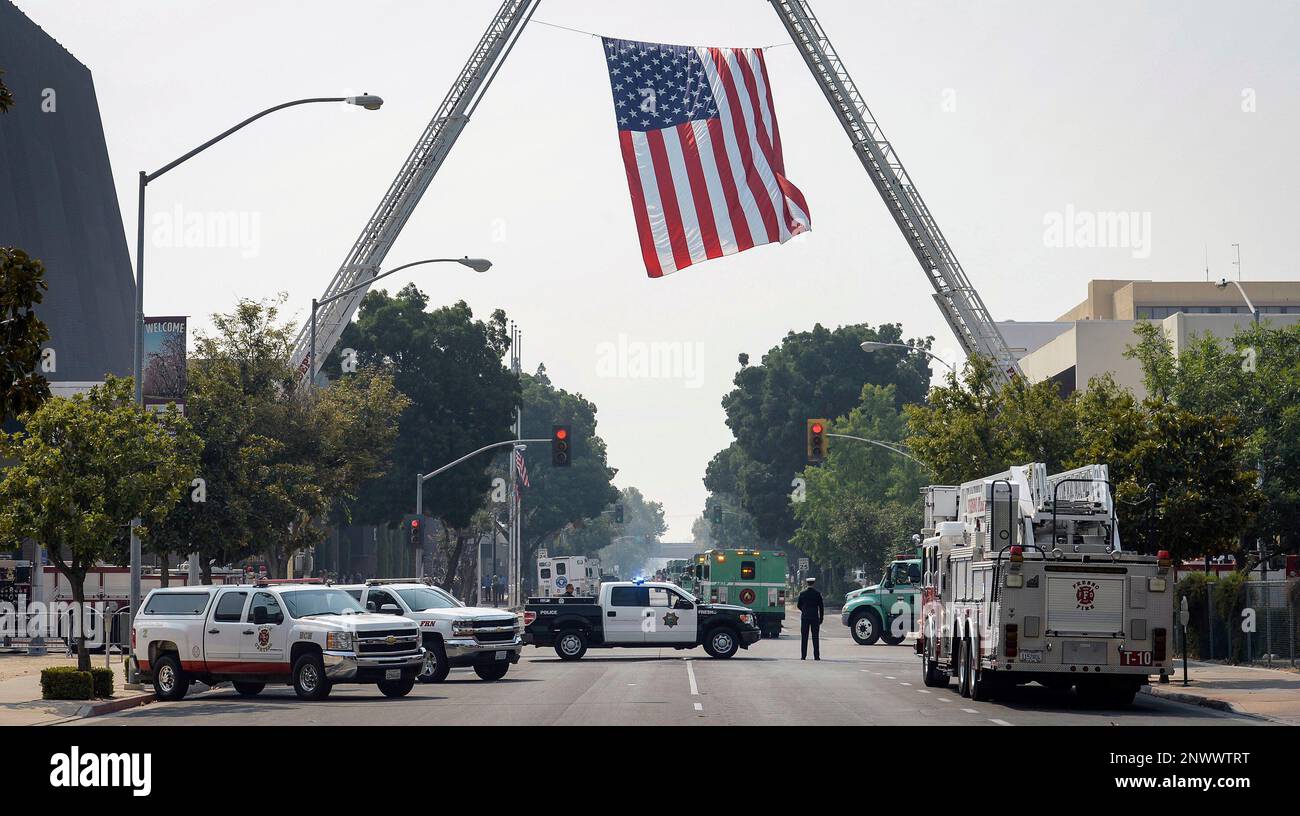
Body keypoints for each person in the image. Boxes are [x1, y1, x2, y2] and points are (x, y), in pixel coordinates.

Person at [797, 577, 824, 660]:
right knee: (815, 637)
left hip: (805, 617)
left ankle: (803, 656)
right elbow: (821, 607)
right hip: (814, 617)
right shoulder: (817, 593)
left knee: (804, 637)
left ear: (807, 583)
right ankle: (816, 656)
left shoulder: (802, 593)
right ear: (814, 583)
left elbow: (798, 605)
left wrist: (804, 610)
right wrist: (821, 617)